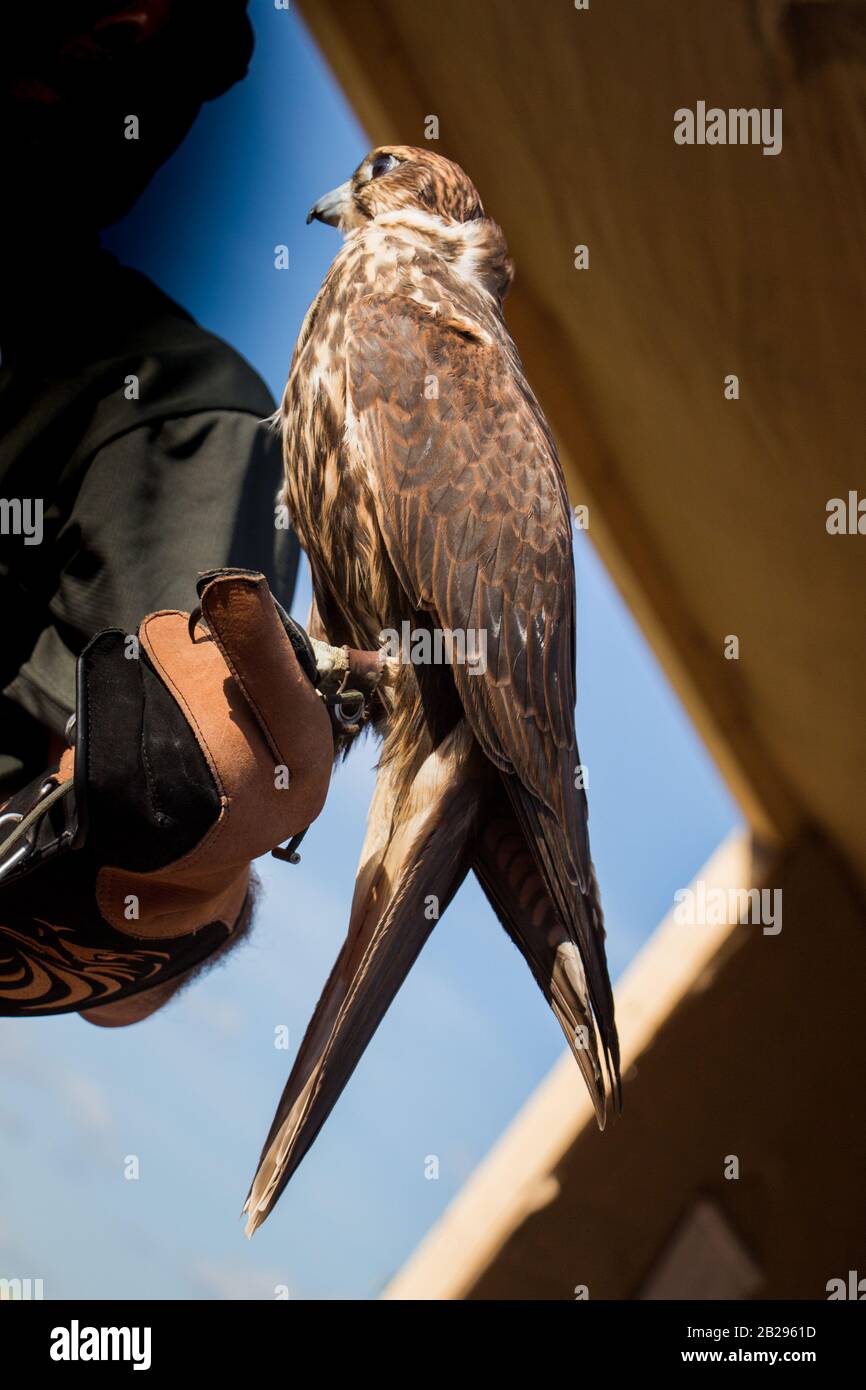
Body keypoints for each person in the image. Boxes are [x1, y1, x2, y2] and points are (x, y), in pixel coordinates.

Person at [0, 2, 336, 1023]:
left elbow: (117, 861)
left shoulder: (164, 407)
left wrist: (169, 892)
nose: (114, 43)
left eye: (160, 49)